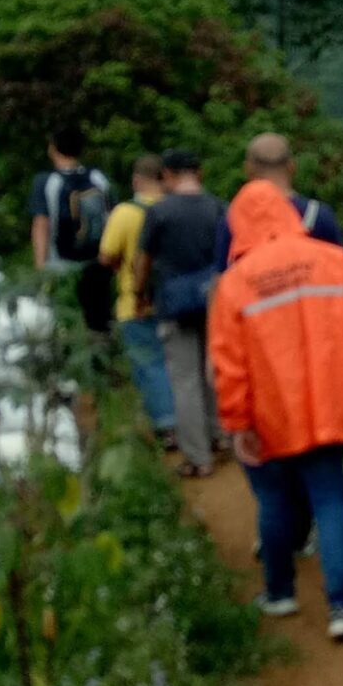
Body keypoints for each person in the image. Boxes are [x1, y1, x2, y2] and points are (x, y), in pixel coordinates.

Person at [210, 179, 343, 643]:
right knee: (330, 501)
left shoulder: (236, 283)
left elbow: (229, 365)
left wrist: (237, 423)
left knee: (273, 501)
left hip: (270, 414)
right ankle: (342, 609)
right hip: (331, 404)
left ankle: (280, 593)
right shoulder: (334, 260)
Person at [136, 149, 223, 478]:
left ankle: (199, 458)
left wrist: (138, 295)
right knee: (213, 371)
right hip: (215, 300)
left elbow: (143, 261)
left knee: (185, 380)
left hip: (174, 303)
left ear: (168, 175)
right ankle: (221, 436)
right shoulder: (217, 208)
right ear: (198, 173)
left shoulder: (159, 213)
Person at [98, 155, 175, 445]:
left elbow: (106, 256)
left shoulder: (126, 213)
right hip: (175, 299)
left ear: (136, 180)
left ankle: (167, 426)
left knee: (150, 363)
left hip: (136, 302)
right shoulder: (174, 207)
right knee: (181, 364)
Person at [213, 133, 343, 272]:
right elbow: (341, 267)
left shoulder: (234, 219)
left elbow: (222, 277)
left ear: (248, 170)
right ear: (292, 167)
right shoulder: (319, 214)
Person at [28, 127, 114, 333]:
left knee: (65, 321)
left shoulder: (46, 182)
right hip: (98, 264)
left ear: (53, 149)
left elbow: (42, 223)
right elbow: (112, 217)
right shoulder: (98, 178)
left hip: (60, 266)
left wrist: (40, 267)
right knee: (99, 321)